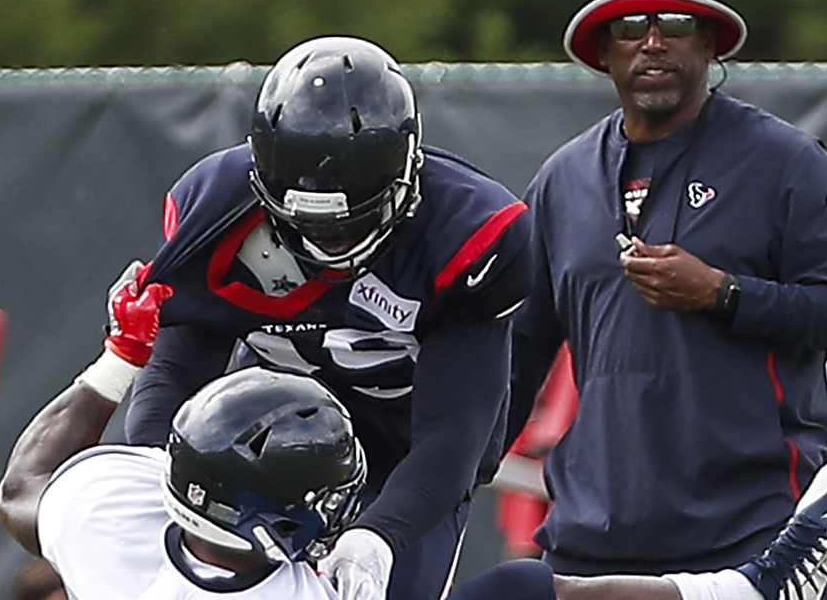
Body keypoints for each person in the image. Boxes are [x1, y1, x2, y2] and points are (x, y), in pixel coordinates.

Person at [0, 268, 827, 600]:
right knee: (516, 594)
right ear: (279, 529)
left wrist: (119, 359)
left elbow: (23, 486)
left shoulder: (108, 510)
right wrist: (121, 357)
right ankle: (748, 591)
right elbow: (26, 489)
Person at [507, 0, 827, 600]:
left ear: (709, 42)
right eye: (628, 27)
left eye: (674, 23)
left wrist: (723, 293)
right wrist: (443, 473)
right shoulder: (562, 178)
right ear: (602, 49)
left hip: (759, 537)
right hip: (595, 538)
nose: (651, 42)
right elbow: (516, 353)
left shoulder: (782, 159)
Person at [121, 35, 534, 600]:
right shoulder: (216, 209)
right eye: (302, 225)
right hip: (264, 445)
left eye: (345, 225)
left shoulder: (469, 234)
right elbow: (175, 372)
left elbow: (452, 434)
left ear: (406, 177)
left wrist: (379, 536)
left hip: (405, 448)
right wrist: (150, 473)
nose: (323, 241)